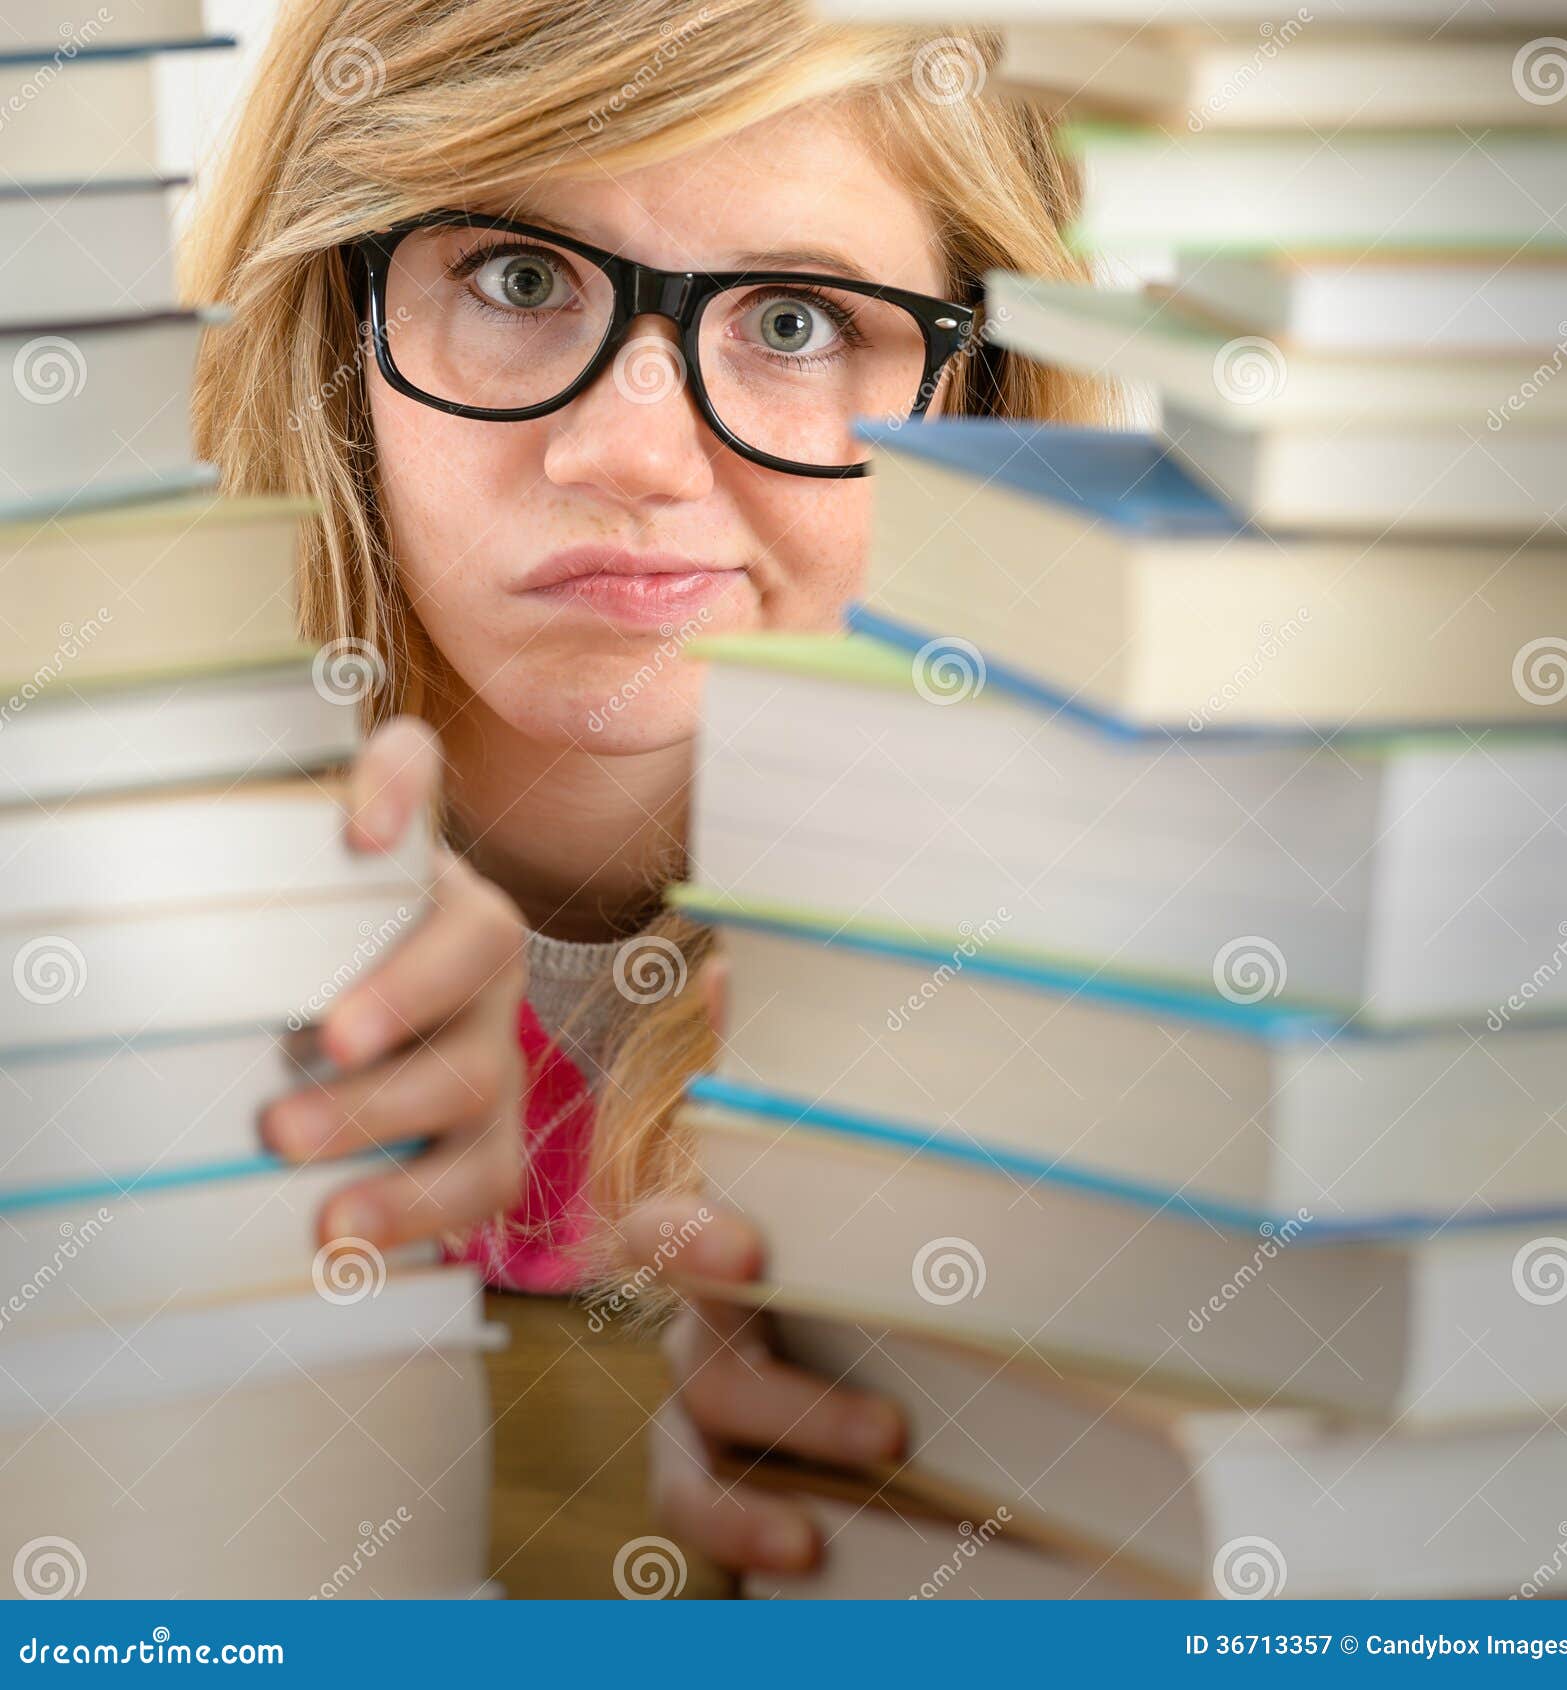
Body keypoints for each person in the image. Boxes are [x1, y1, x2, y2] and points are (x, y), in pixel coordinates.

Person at [185, 0, 1101, 1580]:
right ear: (333, 319)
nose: (633, 452)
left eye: (799, 322)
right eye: (519, 279)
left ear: (984, 396)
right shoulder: (66, 849)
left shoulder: (1145, 999)